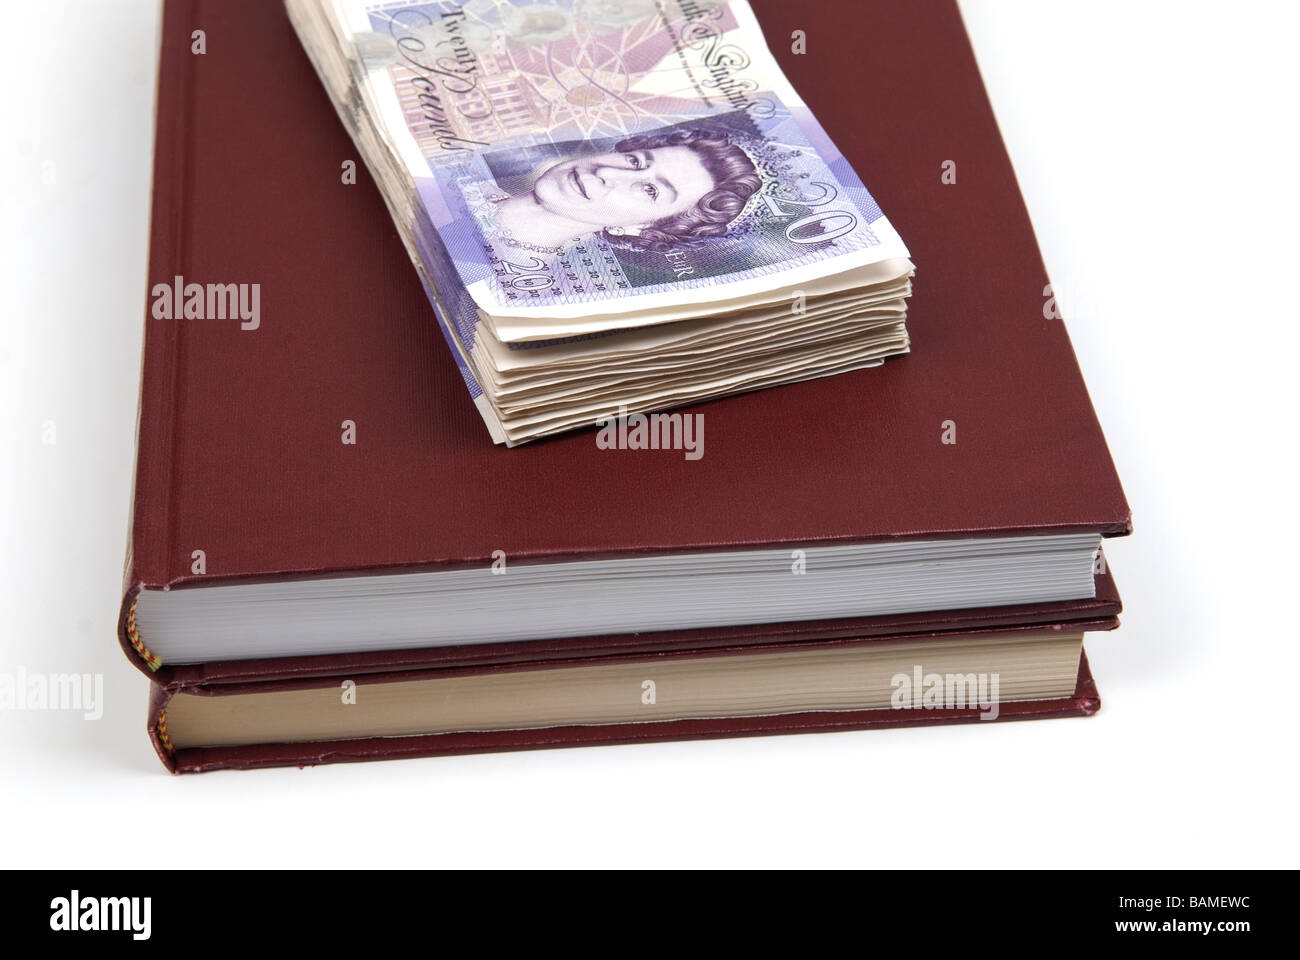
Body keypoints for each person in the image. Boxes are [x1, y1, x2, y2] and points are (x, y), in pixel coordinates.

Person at [488, 128, 761, 254]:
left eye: (650, 190)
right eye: (635, 161)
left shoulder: (519, 285)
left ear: (641, 228)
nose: (606, 173)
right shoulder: (467, 185)